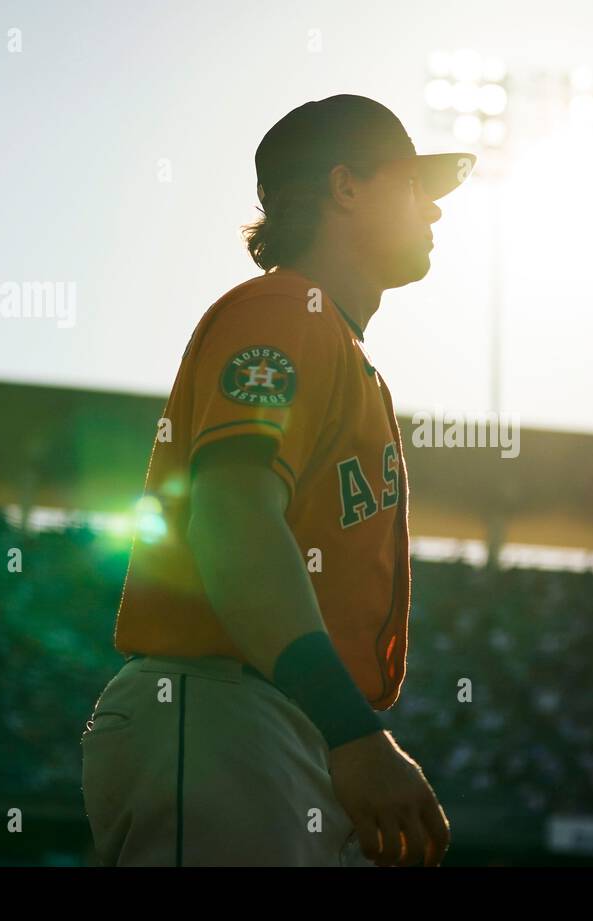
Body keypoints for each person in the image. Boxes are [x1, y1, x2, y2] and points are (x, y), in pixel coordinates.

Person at [80, 94, 475, 866]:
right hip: (225, 704)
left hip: (283, 718)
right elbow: (232, 519)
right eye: (412, 184)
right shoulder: (286, 310)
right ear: (345, 187)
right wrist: (354, 730)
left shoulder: (329, 335)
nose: (434, 209)